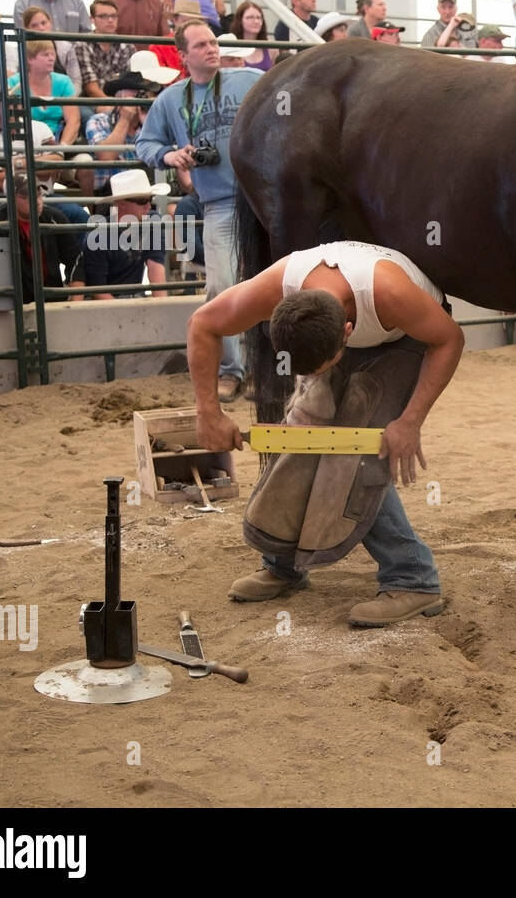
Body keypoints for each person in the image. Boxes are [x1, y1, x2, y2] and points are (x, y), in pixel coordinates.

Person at [188, 241, 464, 627]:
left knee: (356, 448)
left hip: (407, 337)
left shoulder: (390, 293)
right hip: (342, 326)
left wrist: (410, 421)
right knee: (302, 428)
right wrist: (208, 412)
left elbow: (450, 338)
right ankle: (284, 563)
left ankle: (413, 578)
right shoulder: (276, 286)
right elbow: (203, 323)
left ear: (347, 334)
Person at [136, 18, 262, 402]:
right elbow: (144, 144)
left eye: (213, 42)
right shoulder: (171, 99)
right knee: (222, 287)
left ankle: (266, 371)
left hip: (261, 198)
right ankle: (231, 371)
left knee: (272, 285)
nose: (211, 49)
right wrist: (169, 154)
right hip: (220, 204)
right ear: (183, 55)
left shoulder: (250, 79)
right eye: (202, 45)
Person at [0, 170, 85, 302]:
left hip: (51, 296)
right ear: (11, 198)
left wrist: (75, 301)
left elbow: (74, 258)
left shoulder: (55, 218)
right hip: (12, 301)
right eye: (26, 196)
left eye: (38, 194)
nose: (36, 201)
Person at [82, 169, 170, 298]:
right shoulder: (98, 235)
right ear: (121, 203)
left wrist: (161, 306)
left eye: (150, 199)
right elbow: (98, 290)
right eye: (141, 201)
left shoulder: (152, 221)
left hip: (134, 297)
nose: (148, 206)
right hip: (108, 305)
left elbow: (155, 266)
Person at [86, 69, 161, 196]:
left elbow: (160, 157)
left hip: (147, 191)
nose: (139, 100)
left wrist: (147, 125)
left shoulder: (150, 122)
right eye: (134, 96)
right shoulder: (99, 121)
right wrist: (125, 119)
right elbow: (106, 157)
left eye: (142, 95)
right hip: (112, 194)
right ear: (119, 98)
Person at [7, 40, 79, 148]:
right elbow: (14, 125)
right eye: (46, 55)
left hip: (59, 142)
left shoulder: (64, 81)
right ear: (30, 59)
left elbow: (74, 120)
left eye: (52, 54)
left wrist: (61, 148)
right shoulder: (14, 83)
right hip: (27, 145)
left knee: (84, 159)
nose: (52, 58)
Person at [76, 0, 136, 109]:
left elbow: (133, 81)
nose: (110, 20)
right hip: (92, 101)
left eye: (114, 16)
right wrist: (114, 107)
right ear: (92, 20)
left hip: (124, 100)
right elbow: (91, 88)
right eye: (103, 16)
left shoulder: (128, 45)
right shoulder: (82, 44)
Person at [20, 6, 81, 91]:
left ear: (50, 23)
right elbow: (19, 80)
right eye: (34, 25)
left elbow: (76, 80)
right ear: (27, 29)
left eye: (44, 23)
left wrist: (69, 99)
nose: (41, 28)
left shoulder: (66, 47)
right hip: (33, 99)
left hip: (65, 97)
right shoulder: (21, 50)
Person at [228, 1, 275, 71]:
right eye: (250, 17)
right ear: (240, 20)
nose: (256, 21)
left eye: (259, 18)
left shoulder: (272, 49)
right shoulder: (230, 48)